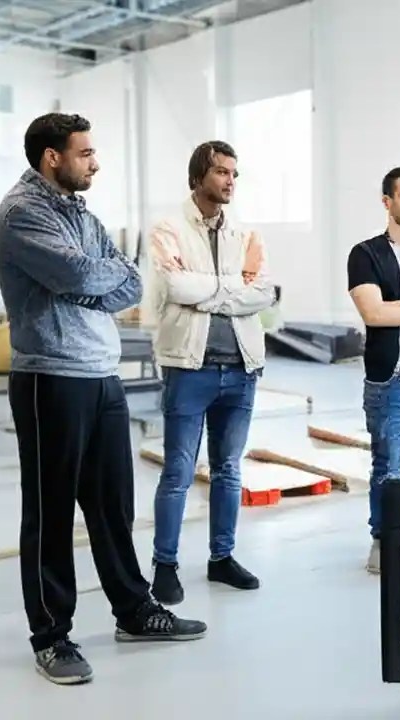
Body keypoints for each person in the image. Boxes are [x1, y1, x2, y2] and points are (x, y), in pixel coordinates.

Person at [0, 113, 207, 686]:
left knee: (112, 504)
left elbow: (128, 279)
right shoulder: (23, 213)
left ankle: (134, 611)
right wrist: (96, 278)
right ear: (52, 158)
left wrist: (98, 277)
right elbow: (79, 275)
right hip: (50, 376)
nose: (95, 161)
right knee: (51, 510)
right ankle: (51, 637)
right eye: (85, 153)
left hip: (100, 372)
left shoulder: (81, 214)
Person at [145, 141, 277, 604]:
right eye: (221, 172)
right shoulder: (168, 229)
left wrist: (208, 291)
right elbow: (175, 285)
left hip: (241, 368)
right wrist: (230, 288)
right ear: (199, 175)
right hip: (190, 368)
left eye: (234, 174)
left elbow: (263, 293)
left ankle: (222, 558)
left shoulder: (247, 235)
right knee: (178, 471)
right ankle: (165, 566)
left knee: (228, 470)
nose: (229, 182)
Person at [347, 166, 400, 574]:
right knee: (386, 465)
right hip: (390, 378)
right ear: (387, 201)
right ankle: (383, 538)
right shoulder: (366, 253)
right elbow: (373, 314)